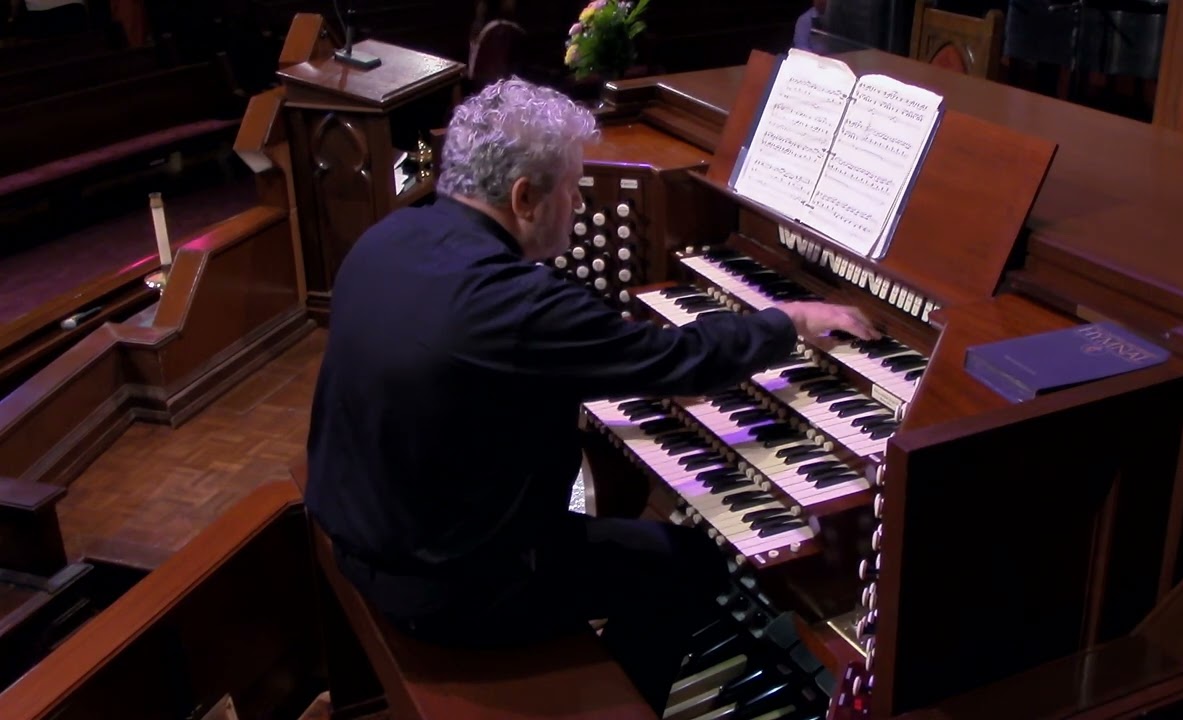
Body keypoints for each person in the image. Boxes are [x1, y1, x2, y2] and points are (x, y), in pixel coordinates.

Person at [304, 78, 879, 714]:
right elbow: (677, 360)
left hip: (362, 532)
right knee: (687, 563)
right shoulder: (519, 305)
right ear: (525, 197)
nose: (577, 204)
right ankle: (623, 705)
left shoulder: (387, 238)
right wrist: (789, 321)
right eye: (572, 188)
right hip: (449, 587)